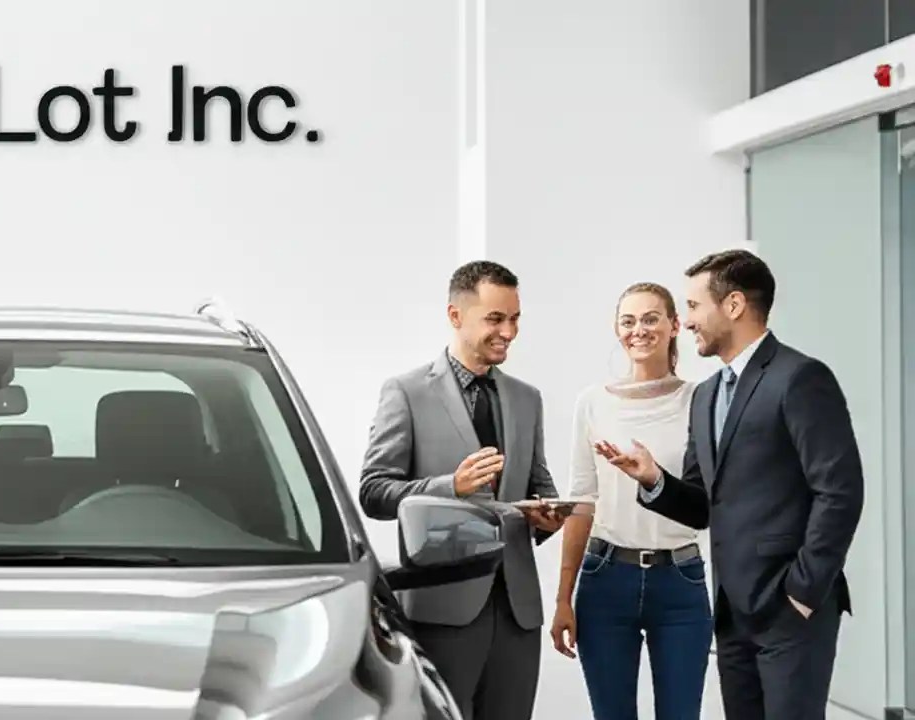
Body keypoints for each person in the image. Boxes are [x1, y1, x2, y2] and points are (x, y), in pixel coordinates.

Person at [594, 249, 864, 720]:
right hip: (732, 614)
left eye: (695, 307)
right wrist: (654, 479)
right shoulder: (706, 395)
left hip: (790, 610)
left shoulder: (800, 378)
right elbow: (702, 505)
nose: (690, 320)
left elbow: (839, 491)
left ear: (734, 305)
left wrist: (802, 591)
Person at [358, 259, 561, 720]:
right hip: (442, 609)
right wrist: (451, 486)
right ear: (455, 316)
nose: (508, 331)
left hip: (516, 613)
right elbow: (373, 492)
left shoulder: (528, 398)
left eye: (514, 319)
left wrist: (546, 517)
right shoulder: (405, 392)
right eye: (495, 318)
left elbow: (538, 485)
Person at [550, 282, 713, 719]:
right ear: (616, 330)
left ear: (674, 325)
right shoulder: (593, 402)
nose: (638, 329)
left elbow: (707, 501)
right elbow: (582, 502)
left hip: (681, 580)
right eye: (628, 320)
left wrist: (653, 476)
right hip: (605, 578)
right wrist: (563, 598)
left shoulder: (701, 400)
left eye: (651, 318)